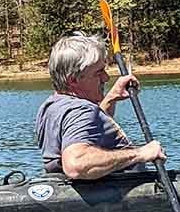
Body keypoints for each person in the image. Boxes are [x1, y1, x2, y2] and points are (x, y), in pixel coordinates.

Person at [36, 32, 165, 180]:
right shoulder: (81, 111)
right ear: (73, 80)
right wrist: (141, 153)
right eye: (98, 73)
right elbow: (75, 165)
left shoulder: (51, 106)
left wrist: (111, 98)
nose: (106, 78)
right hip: (114, 197)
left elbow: (90, 131)